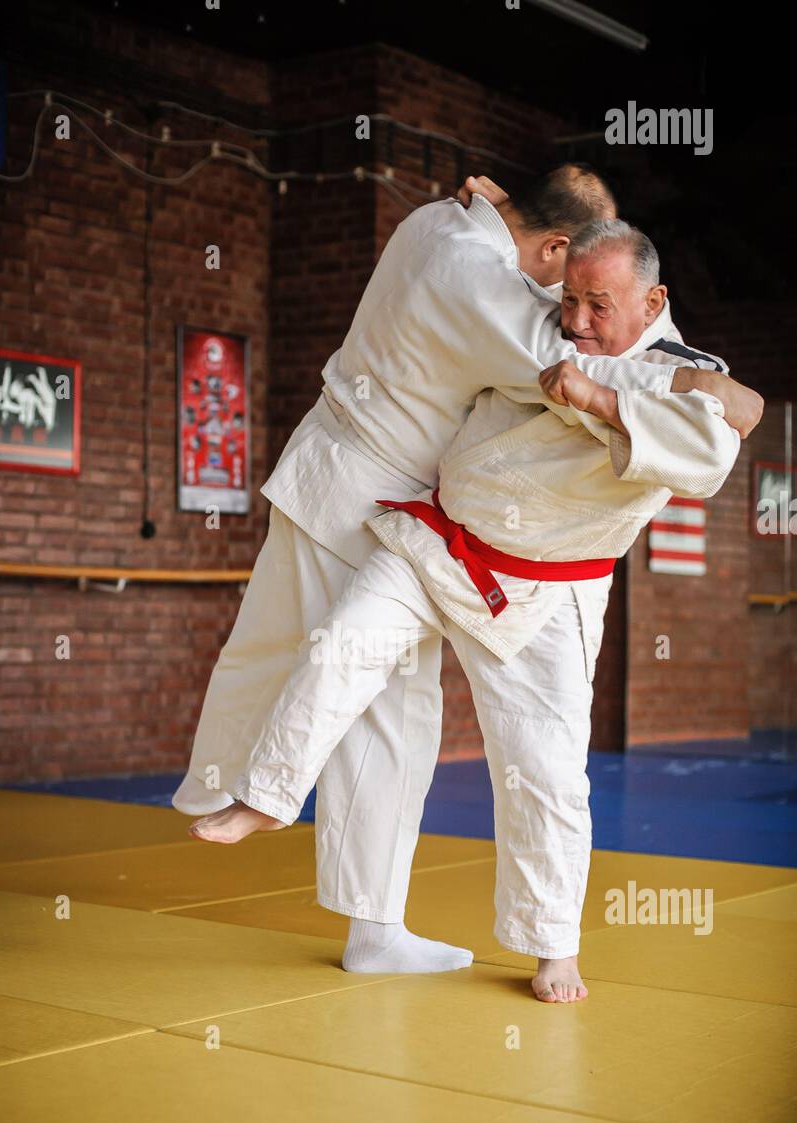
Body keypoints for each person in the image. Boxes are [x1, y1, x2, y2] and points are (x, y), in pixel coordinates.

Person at [183, 219, 764, 1003]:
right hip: (441, 540)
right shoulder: (533, 330)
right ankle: (268, 793)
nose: (578, 320)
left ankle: (553, 945)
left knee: (543, 770)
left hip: (545, 591)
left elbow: (715, 451)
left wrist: (603, 394)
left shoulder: (684, 371)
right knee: (340, 648)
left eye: (598, 304)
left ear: (651, 299)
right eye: (570, 300)